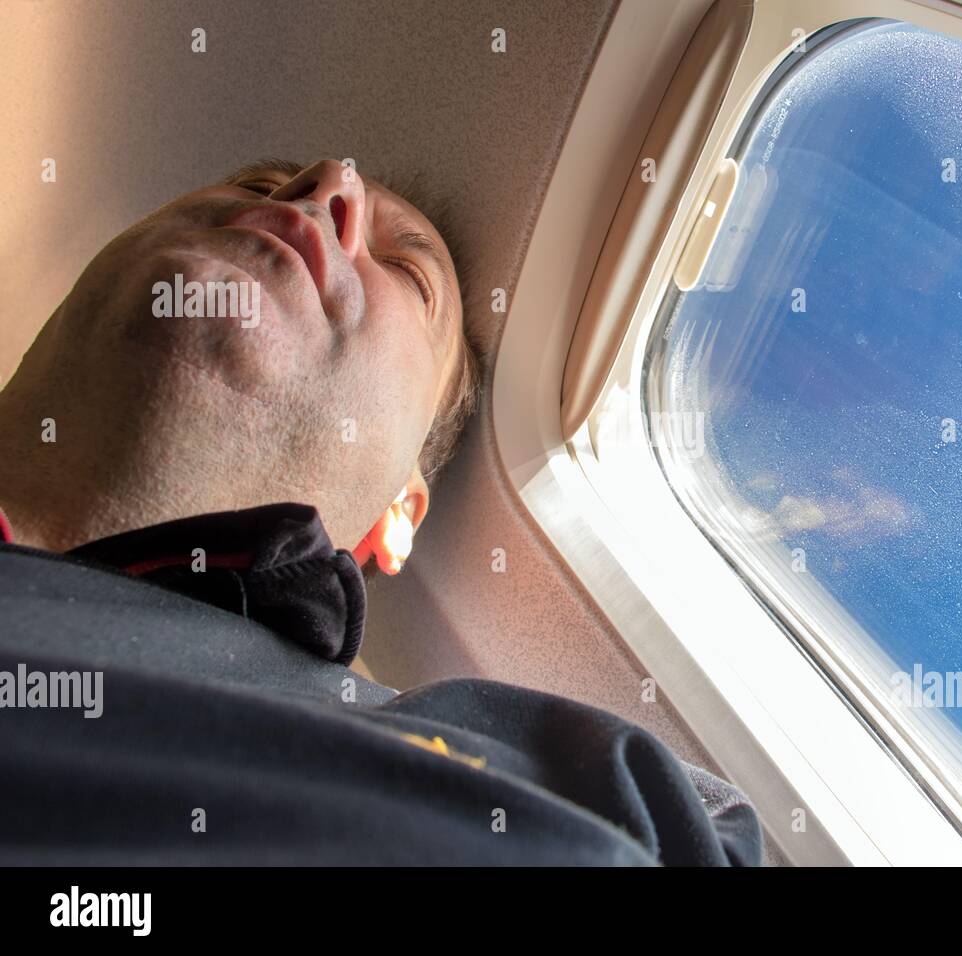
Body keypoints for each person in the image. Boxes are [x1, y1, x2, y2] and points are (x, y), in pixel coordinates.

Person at [0, 159, 762, 866]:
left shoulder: (602, 784)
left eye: (406, 272)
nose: (326, 183)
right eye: (257, 186)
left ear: (398, 514)